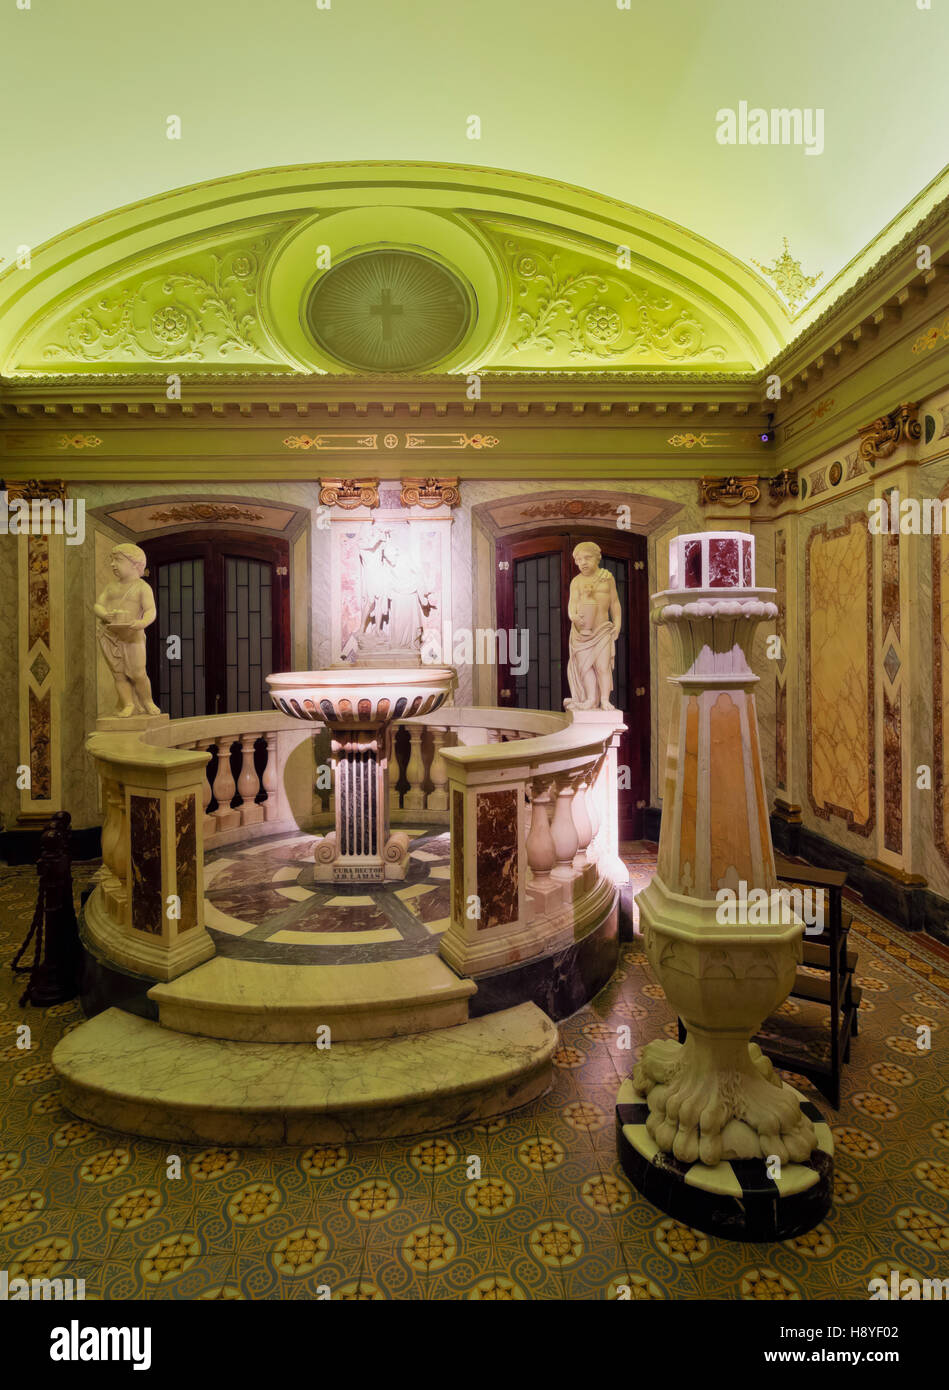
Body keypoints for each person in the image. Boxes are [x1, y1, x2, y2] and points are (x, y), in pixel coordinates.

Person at [94, 543, 161, 717]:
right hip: (110, 635)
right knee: (119, 674)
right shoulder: (111, 587)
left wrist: (142, 623)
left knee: (138, 673)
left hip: (133, 634)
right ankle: (128, 704)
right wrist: (105, 614)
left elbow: (151, 610)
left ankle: (147, 701)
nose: (112, 564)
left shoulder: (142, 587)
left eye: (118, 560)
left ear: (135, 563)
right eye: (112, 560)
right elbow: (98, 605)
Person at [564, 541, 621, 711]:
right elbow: (571, 604)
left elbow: (615, 604)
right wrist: (573, 616)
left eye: (587, 558)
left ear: (597, 558)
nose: (583, 562)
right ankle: (590, 698)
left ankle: (604, 699)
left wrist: (617, 626)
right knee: (585, 668)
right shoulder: (576, 581)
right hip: (582, 633)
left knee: (603, 666)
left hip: (602, 629)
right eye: (579, 559)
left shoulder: (607, 577)